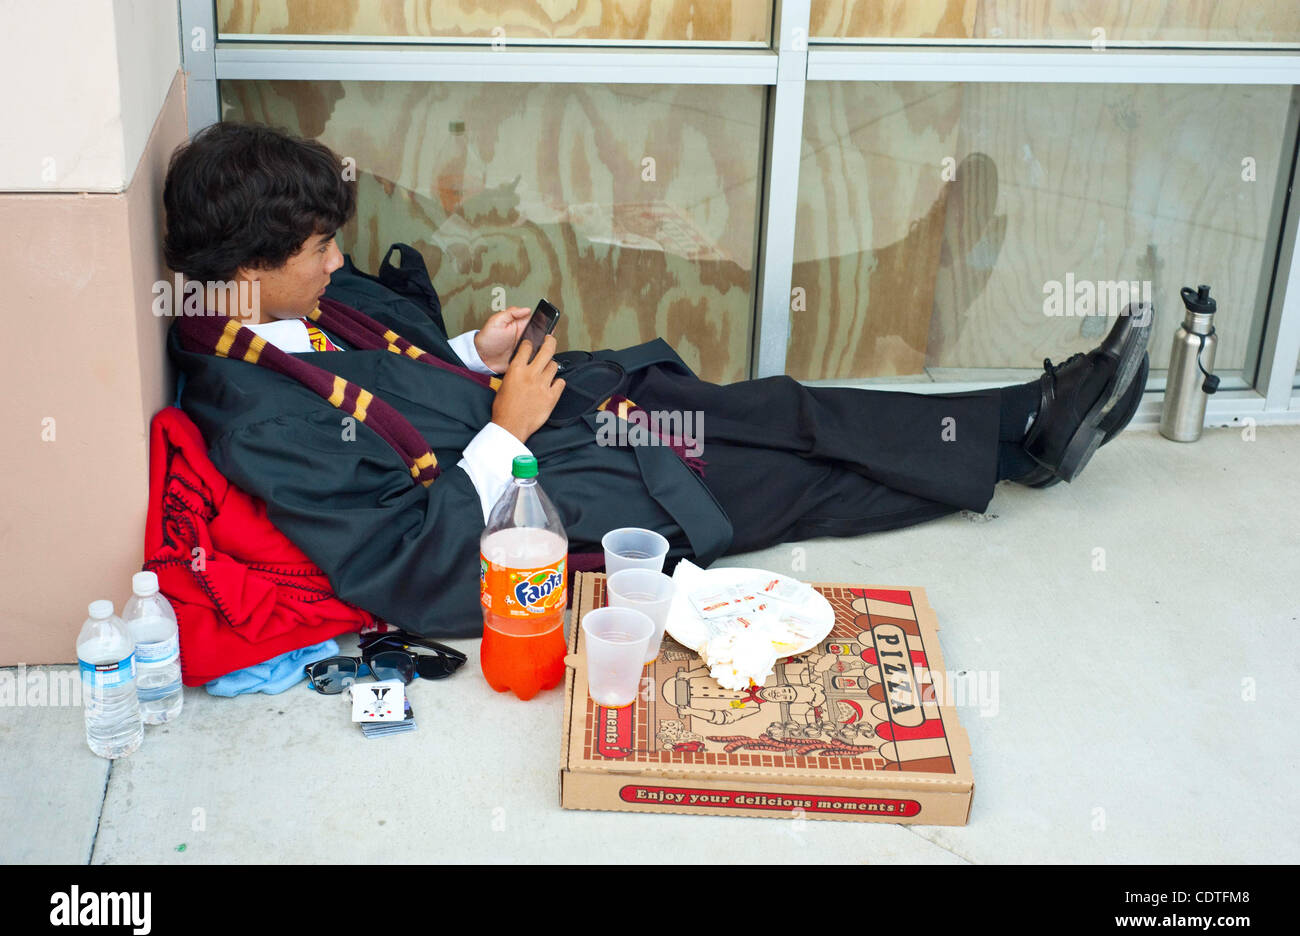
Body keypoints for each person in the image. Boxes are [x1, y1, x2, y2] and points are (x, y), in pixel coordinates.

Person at [162, 122, 1150, 640]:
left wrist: (472, 351)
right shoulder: (252, 409)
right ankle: (1024, 436)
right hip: (544, 491)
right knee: (793, 474)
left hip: (562, 416)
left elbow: (385, 368)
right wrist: (504, 428)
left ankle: (1022, 424)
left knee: (780, 411)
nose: (338, 261)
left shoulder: (276, 316)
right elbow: (402, 568)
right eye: (320, 244)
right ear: (252, 262)